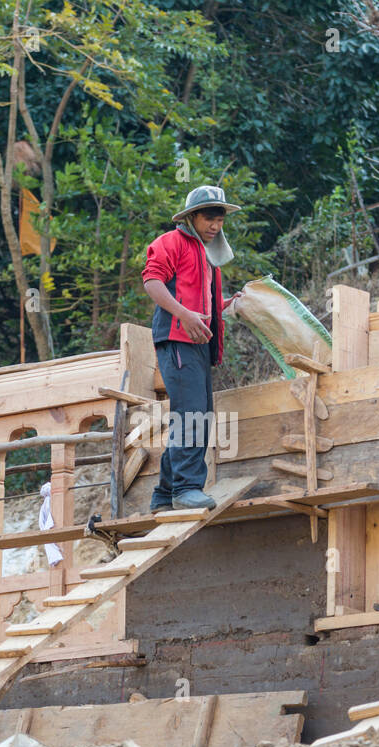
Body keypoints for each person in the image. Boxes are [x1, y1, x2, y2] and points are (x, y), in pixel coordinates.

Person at [142, 184, 244, 512]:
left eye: (220, 220)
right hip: (176, 340)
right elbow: (152, 282)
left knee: (199, 414)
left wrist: (228, 304)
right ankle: (186, 488)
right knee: (191, 414)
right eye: (210, 219)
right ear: (192, 217)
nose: (216, 226)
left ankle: (163, 496)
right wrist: (183, 315)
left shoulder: (207, 253)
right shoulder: (170, 243)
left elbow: (205, 301)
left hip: (199, 344)